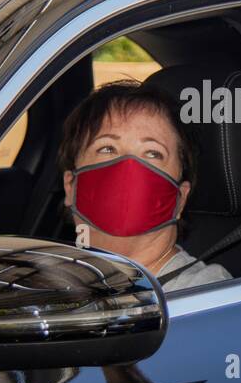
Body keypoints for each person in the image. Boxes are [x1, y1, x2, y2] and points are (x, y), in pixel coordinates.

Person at [60, 79, 231, 290]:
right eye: (107, 148)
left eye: (152, 153)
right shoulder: (49, 278)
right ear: (70, 185)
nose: (129, 166)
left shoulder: (203, 294)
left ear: (180, 199)